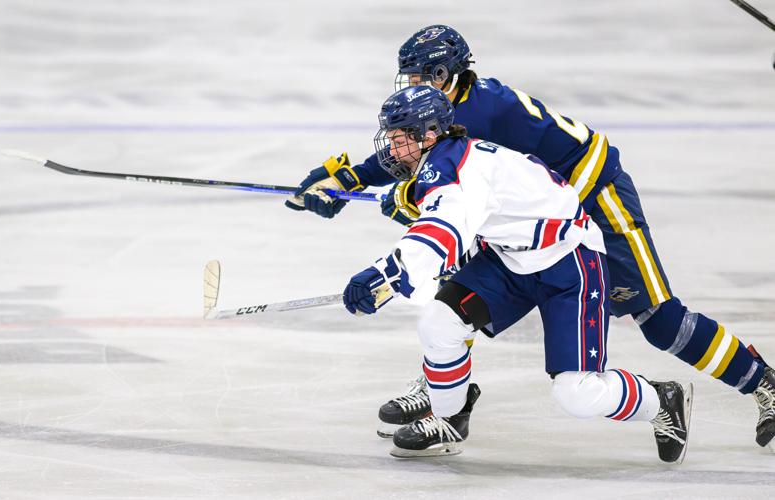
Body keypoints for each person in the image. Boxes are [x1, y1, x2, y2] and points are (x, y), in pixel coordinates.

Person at [287, 25, 774, 451]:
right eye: (409, 78)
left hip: (595, 199)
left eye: (421, 77)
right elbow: (413, 155)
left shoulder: (479, 111)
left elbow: (440, 187)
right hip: (538, 213)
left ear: (446, 76)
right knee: (461, 286)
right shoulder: (445, 112)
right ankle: (443, 390)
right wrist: (347, 179)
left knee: (658, 317)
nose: (414, 85)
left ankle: (762, 383)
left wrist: (390, 194)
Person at [341, 85, 691, 462]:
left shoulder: (453, 167)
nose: (392, 152)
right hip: (510, 260)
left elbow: (442, 232)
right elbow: (448, 218)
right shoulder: (448, 157)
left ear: (427, 135)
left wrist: (386, 276)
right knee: (438, 323)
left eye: (397, 140)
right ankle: (449, 418)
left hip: (568, 263)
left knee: (576, 393)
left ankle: (662, 400)